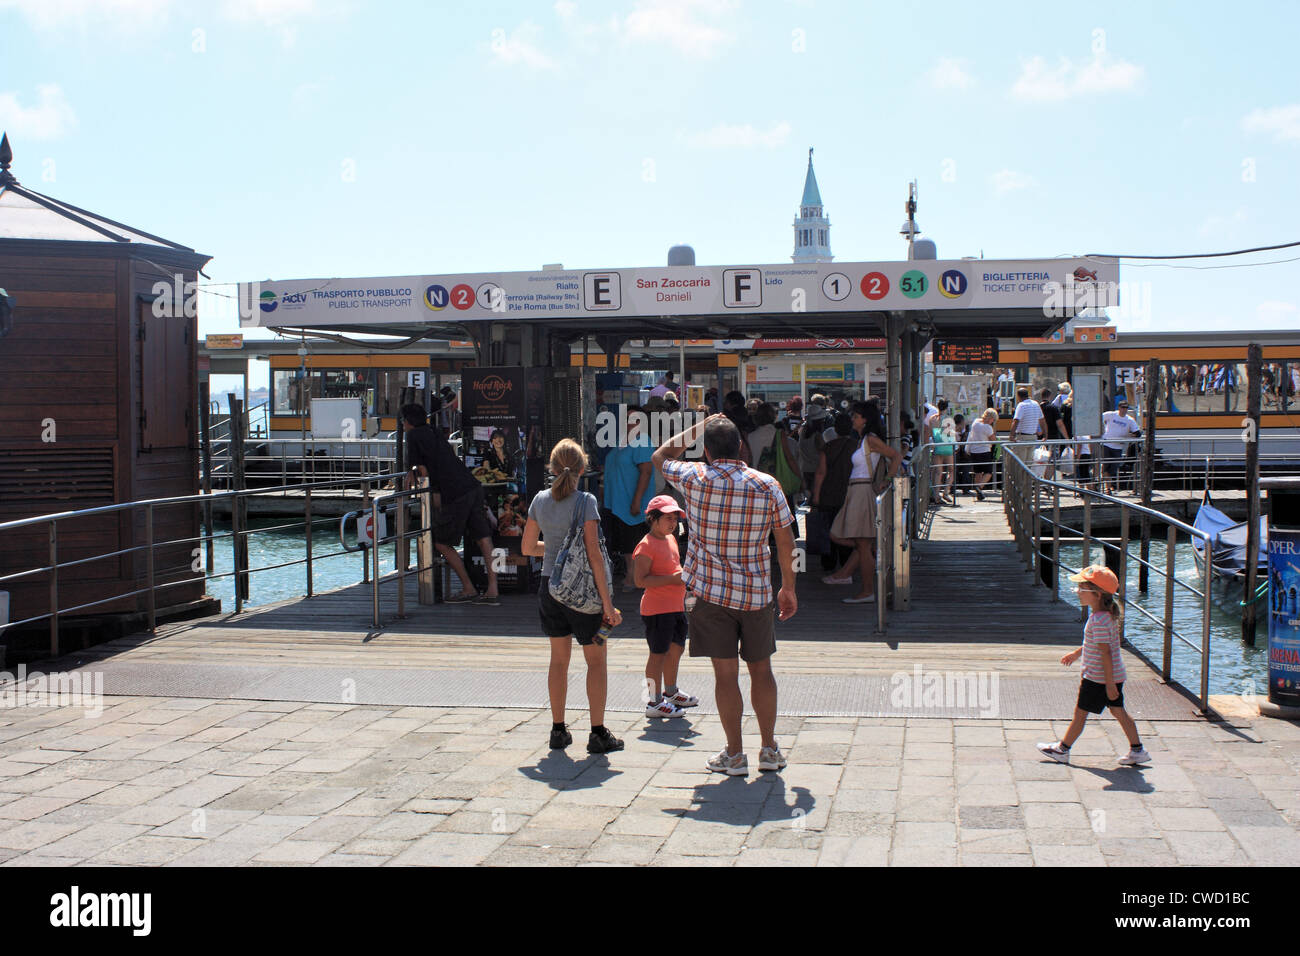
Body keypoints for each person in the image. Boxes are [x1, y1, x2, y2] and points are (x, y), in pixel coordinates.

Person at [653, 414, 797, 776]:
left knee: (725, 675)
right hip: (756, 593)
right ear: (741, 448)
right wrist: (789, 586)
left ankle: (734, 754)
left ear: (706, 450)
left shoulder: (695, 478)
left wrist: (698, 425)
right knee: (762, 671)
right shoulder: (767, 485)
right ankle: (769, 748)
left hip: (711, 595)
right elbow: (786, 540)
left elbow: (660, 456)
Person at [521, 439, 625, 755]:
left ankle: (557, 729)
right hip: (583, 593)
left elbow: (527, 548)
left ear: (552, 469)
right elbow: (593, 555)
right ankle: (597, 732)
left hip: (550, 588)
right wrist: (608, 604)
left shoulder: (540, 500)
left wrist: (553, 552)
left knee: (558, 661)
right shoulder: (586, 502)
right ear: (582, 469)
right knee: (595, 662)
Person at [1038, 565, 1152, 766]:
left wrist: (1108, 684)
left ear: (1097, 594)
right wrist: (1077, 653)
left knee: (1080, 713)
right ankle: (1137, 750)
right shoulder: (1105, 616)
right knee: (1119, 711)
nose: (1078, 592)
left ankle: (1063, 749)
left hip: (1098, 678)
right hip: (1114, 675)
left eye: (1082, 589)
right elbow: (1097, 645)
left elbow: (1105, 652)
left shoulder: (1098, 620)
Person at [401, 403, 498, 604]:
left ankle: (468, 587)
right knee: (483, 538)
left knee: (441, 542)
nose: (402, 424)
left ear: (408, 422)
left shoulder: (413, 436)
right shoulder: (433, 430)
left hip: (453, 492)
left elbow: (424, 470)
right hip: (471, 484)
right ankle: (493, 587)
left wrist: (412, 473)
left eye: (403, 420)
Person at [632, 495, 699, 719]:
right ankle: (653, 701)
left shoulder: (670, 539)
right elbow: (640, 581)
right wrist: (674, 579)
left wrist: (686, 586)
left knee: (676, 649)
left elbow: (676, 570)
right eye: (668, 518)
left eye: (675, 518)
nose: (673, 523)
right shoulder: (645, 545)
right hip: (657, 609)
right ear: (653, 519)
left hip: (675, 606)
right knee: (657, 655)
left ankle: (670, 692)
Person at [828, 401, 901, 604]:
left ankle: (866, 589)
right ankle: (858, 568)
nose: (853, 419)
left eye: (856, 416)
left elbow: (896, 456)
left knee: (859, 540)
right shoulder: (864, 440)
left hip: (862, 490)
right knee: (848, 536)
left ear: (865, 419)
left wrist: (887, 480)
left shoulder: (870, 439)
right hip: (857, 490)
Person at [602, 408, 655, 591]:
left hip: (630, 502)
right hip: (617, 502)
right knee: (624, 542)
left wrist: (637, 501)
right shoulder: (623, 442)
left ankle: (633, 577)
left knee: (632, 541)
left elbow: (646, 471)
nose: (629, 422)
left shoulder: (642, 441)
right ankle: (630, 575)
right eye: (627, 418)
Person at [815, 412, 859, 579]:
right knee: (847, 530)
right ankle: (846, 562)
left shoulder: (828, 447)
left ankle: (828, 562)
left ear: (835, 430)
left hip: (828, 494)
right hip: (849, 494)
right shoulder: (857, 446)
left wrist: (817, 495)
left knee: (829, 530)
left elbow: (820, 473)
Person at [1101, 400, 1140, 495]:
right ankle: (1108, 488)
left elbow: (1137, 433)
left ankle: (1109, 486)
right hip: (1106, 444)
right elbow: (1098, 418)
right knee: (1105, 466)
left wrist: (1128, 436)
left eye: (1126, 407)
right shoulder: (1111, 415)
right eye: (1122, 407)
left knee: (1114, 468)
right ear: (1118, 407)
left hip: (1118, 446)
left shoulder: (1129, 420)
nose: (1124, 409)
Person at [967, 408, 997, 501]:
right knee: (988, 472)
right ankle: (979, 487)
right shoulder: (988, 427)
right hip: (984, 451)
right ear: (991, 418)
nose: (993, 421)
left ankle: (979, 494)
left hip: (974, 451)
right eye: (994, 419)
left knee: (978, 473)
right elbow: (993, 440)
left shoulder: (975, 422)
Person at [930, 415, 956, 506]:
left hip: (937, 448)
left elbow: (931, 435)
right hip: (948, 448)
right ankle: (946, 491)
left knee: (938, 472)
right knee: (951, 470)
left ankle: (936, 495)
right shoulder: (948, 419)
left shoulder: (933, 419)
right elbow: (951, 435)